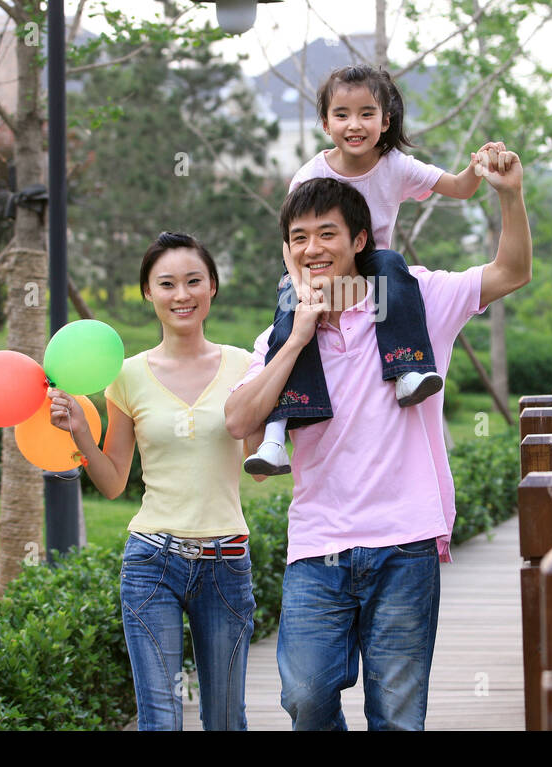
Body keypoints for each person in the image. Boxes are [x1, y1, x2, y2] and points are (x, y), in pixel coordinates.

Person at [224, 148, 533, 730]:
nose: (312, 248)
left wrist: (509, 196)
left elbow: (511, 272)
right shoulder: (281, 332)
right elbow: (240, 421)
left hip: (405, 540)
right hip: (318, 545)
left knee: (396, 715)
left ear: (360, 239)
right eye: (298, 238)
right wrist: (298, 339)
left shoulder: (414, 303)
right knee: (306, 699)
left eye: (326, 234)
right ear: (287, 252)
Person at [243, 63, 501, 477]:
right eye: (341, 115)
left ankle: (408, 371)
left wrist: (477, 168)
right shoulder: (311, 174)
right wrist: (300, 285)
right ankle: (274, 437)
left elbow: (459, 188)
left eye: (367, 113)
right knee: (288, 329)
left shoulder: (396, 165)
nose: (354, 124)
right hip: (314, 274)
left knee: (391, 262)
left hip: (372, 275)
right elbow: (291, 241)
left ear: (386, 121)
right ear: (326, 123)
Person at [49, 232, 261, 731]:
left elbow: (259, 459)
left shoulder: (246, 366)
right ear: (148, 292)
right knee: (161, 719)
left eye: (193, 281)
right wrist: (81, 433)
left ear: (212, 287)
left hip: (226, 562)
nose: (181, 295)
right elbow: (113, 482)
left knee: (226, 720)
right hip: (152, 561)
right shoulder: (126, 376)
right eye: (166, 284)